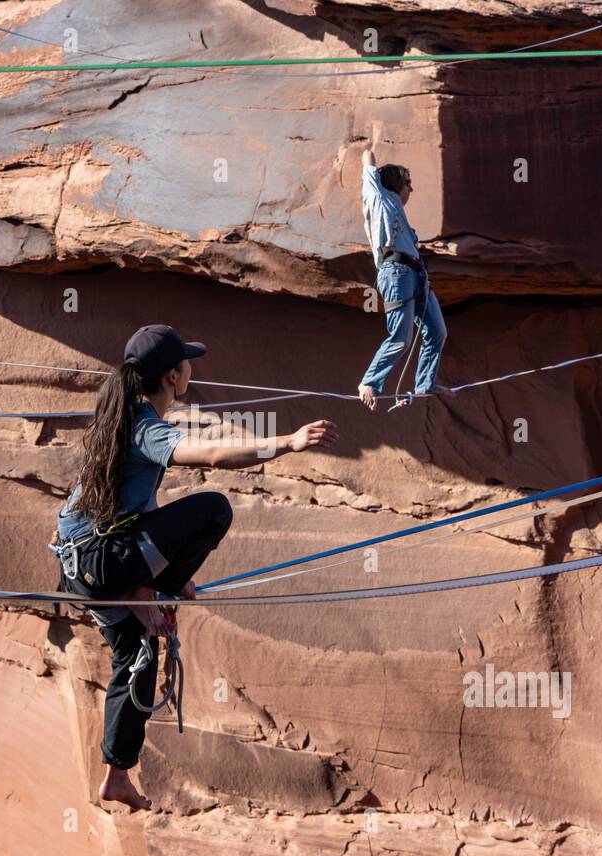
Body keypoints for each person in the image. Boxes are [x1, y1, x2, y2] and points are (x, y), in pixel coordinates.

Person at [52, 324, 338, 810]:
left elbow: (113, 506)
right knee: (213, 509)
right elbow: (207, 454)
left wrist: (167, 576)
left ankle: (116, 774)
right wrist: (287, 442)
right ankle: (146, 590)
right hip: (103, 564)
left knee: (138, 658)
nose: (192, 369)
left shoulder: (118, 420)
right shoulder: (144, 424)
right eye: (187, 362)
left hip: (83, 567)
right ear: (171, 375)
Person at [358, 135, 452, 410]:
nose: (412, 188)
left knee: (438, 331)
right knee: (401, 337)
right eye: (408, 183)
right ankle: (370, 383)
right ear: (397, 183)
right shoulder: (379, 199)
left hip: (417, 275)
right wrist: (368, 146)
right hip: (395, 272)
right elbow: (368, 165)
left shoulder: (400, 210)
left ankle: (425, 383)